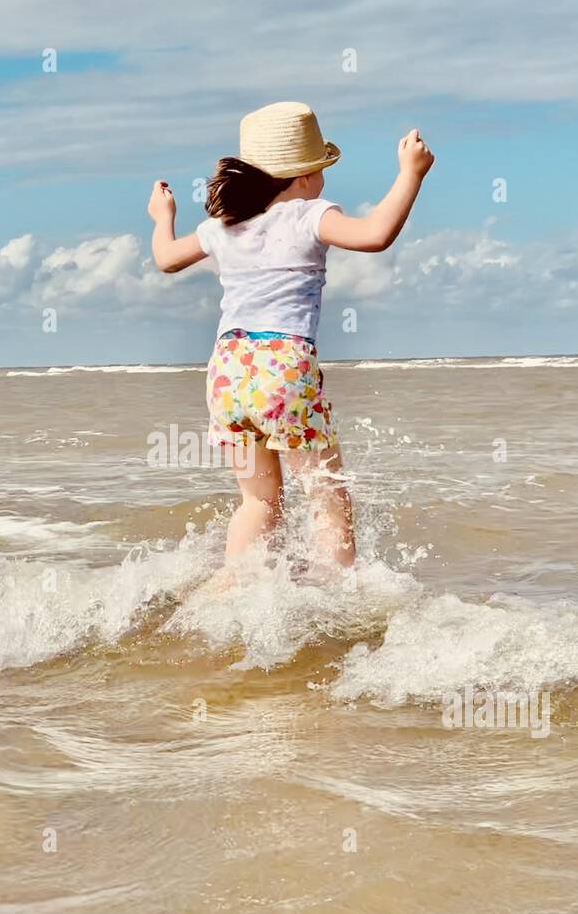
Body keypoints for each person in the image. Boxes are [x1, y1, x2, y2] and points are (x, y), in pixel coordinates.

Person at [147, 101, 434, 571]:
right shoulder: (308, 214)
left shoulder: (223, 227)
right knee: (327, 497)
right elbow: (376, 234)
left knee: (258, 502)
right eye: (321, 168)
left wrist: (163, 216)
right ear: (303, 177)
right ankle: (337, 603)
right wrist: (411, 173)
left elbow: (166, 259)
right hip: (283, 364)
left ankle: (229, 593)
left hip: (228, 369)